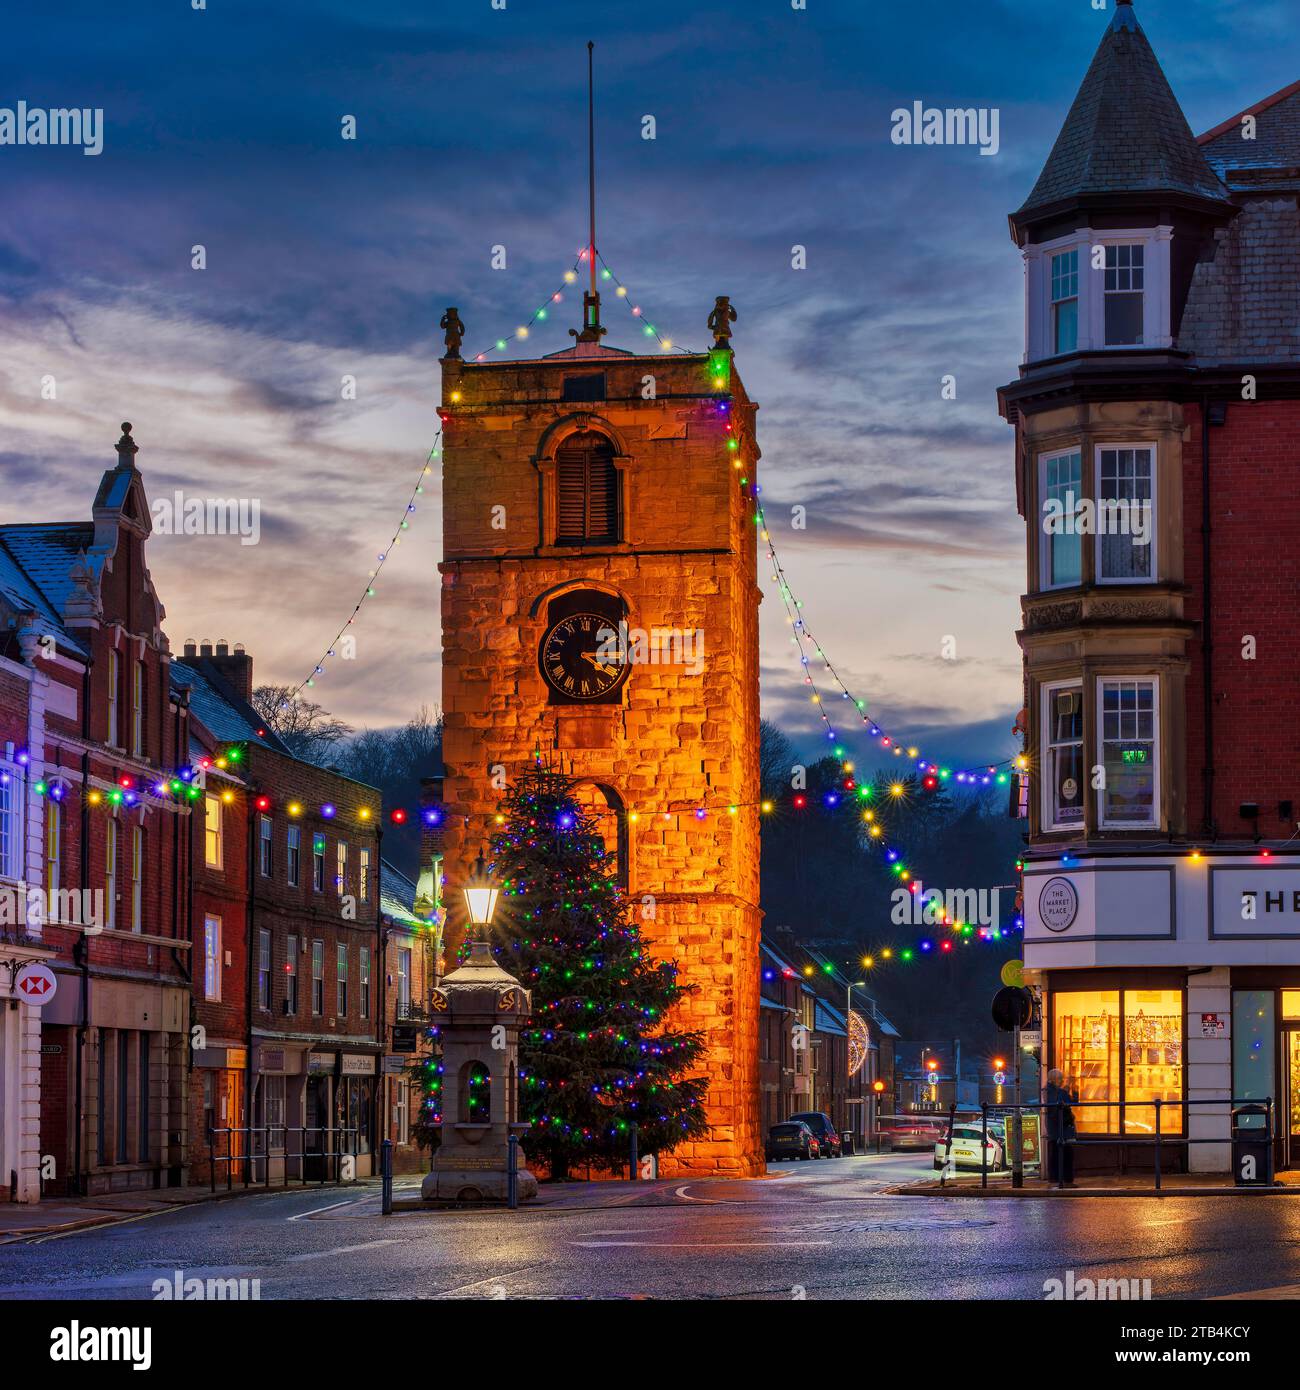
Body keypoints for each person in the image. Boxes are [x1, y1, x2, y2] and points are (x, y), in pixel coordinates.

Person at [1044, 1068, 1077, 1187]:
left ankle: (1061, 1179)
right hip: (1060, 1127)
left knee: (1064, 1153)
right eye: (1061, 1079)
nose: (1063, 1081)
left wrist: (1073, 1089)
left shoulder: (1053, 1090)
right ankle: (1063, 1180)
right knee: (1064, 1153)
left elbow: (1073, 1101)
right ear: (1055, 1080)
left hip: (1059, 1127)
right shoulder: (1051, 1091)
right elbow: (1058, 1105)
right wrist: (1067, 1089)